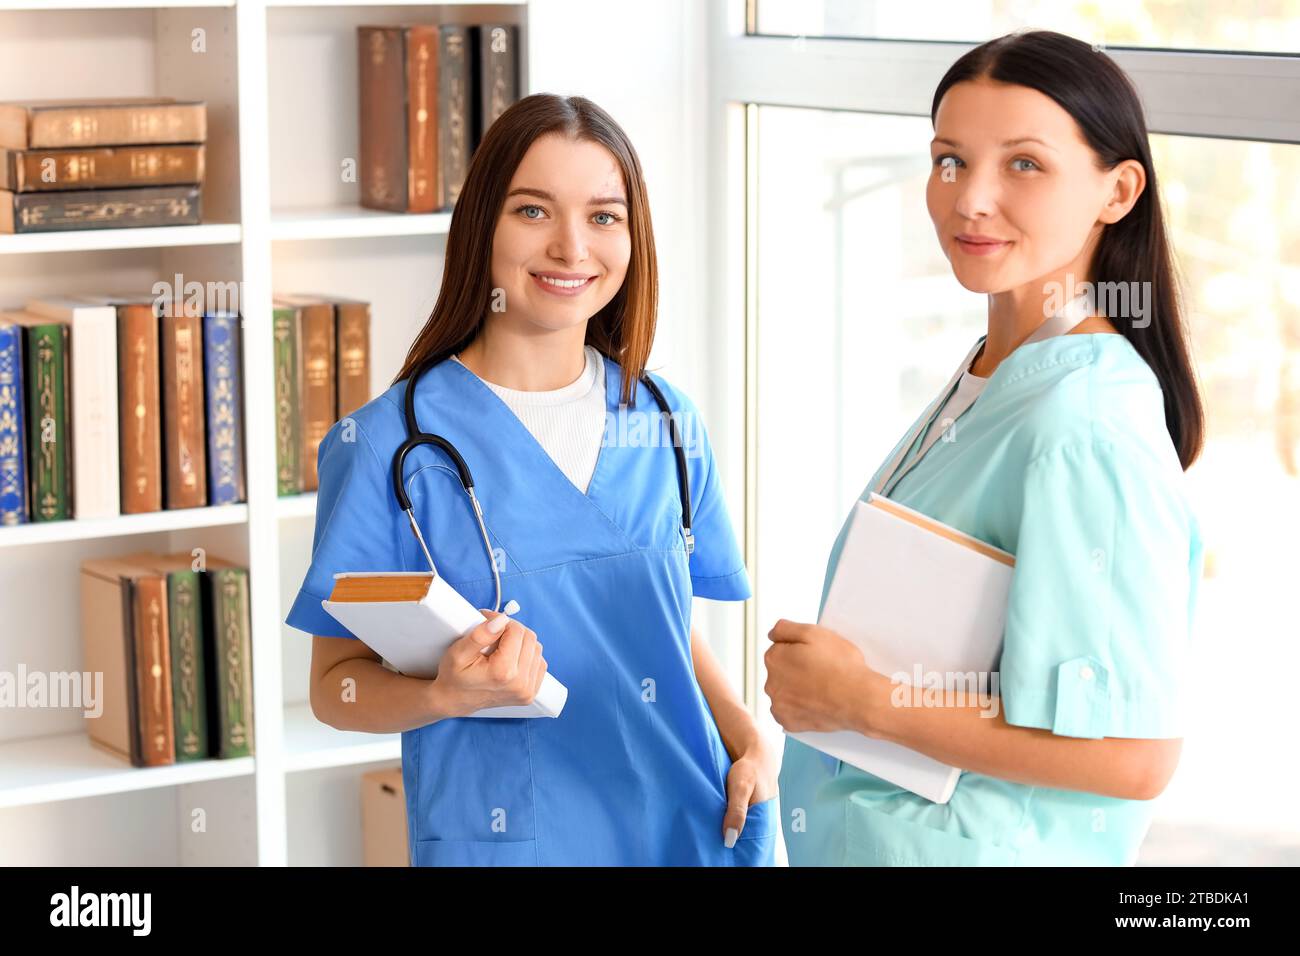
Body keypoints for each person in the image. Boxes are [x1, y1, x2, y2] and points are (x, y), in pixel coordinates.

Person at [285, 93, 777, 866]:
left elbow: (664, 627)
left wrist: (752, 740)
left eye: (604, 217)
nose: (572, 247)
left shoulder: (666, 420)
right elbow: (334, 688)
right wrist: (441, 695)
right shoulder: (388, 444)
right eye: (533, 211)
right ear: (483, 225)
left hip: (688, 825)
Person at [766, 30, 1204, 866]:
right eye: (950, 160)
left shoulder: (1082, 423)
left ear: (1118, 190)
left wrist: (865, 702)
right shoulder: (996, 372)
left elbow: (1136, 756)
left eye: (1024, 165)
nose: (969, 199)